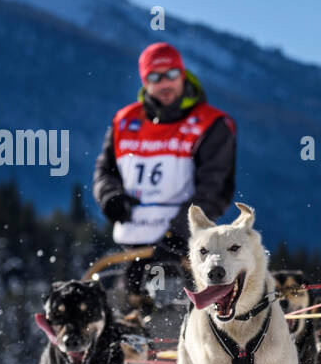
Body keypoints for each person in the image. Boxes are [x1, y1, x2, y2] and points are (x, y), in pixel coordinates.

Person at [92, 42, 237, 311]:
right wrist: (110, 196)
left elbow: (214, 188)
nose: (164, 84)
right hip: (132, 245)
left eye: (171, 74)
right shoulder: (124, 122)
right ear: (145, 82)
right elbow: (105, 172)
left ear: (182, 74)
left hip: (184, 247)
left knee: (174, 324)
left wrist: (180, 232)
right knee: (126, 321)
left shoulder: (211, 124)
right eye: (155, 77)